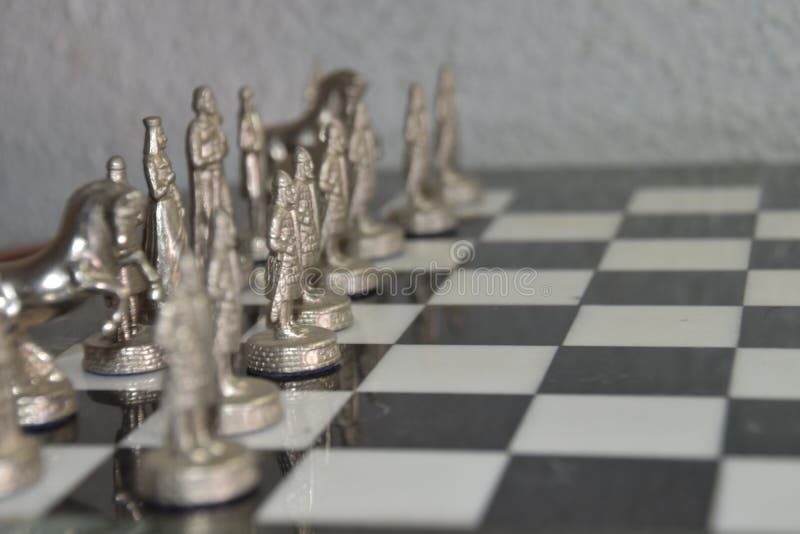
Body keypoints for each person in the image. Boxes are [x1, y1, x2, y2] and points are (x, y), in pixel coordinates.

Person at [142, 116, 188, 300]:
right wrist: (170, 178)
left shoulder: (162, 156)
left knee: (178, 249)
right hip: (161, 212)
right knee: (165, 253)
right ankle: (167, 292)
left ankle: (179, 286)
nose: (164, 138)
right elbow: (157, 192)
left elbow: (171, 188)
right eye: (161, 134)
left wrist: (178, 201)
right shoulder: (150, 161)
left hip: (171, 208)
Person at [187, 86, 233, 267]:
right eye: (209, 100)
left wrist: (217, 132)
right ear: (200, 104)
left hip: (218, 176)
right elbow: (197, 159)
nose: (213, 103)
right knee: (205, 216)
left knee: (224, 211)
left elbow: (225, 147)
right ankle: (203, 258)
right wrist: (215, 156)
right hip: (204, 180)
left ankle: (223, 254)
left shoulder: (215, 125)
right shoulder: (195, 129)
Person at [238, 87, 268, 255]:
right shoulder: (243, 118)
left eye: (248, 99)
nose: (247, 102)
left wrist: (254, 144)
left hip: (256, 160)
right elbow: (244, 142)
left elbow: (257, 140)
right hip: (250, 161)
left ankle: (259, 227)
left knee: (258, 195)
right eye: (244, 99)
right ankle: (255, 227)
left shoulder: (252, 117)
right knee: (252, 195)